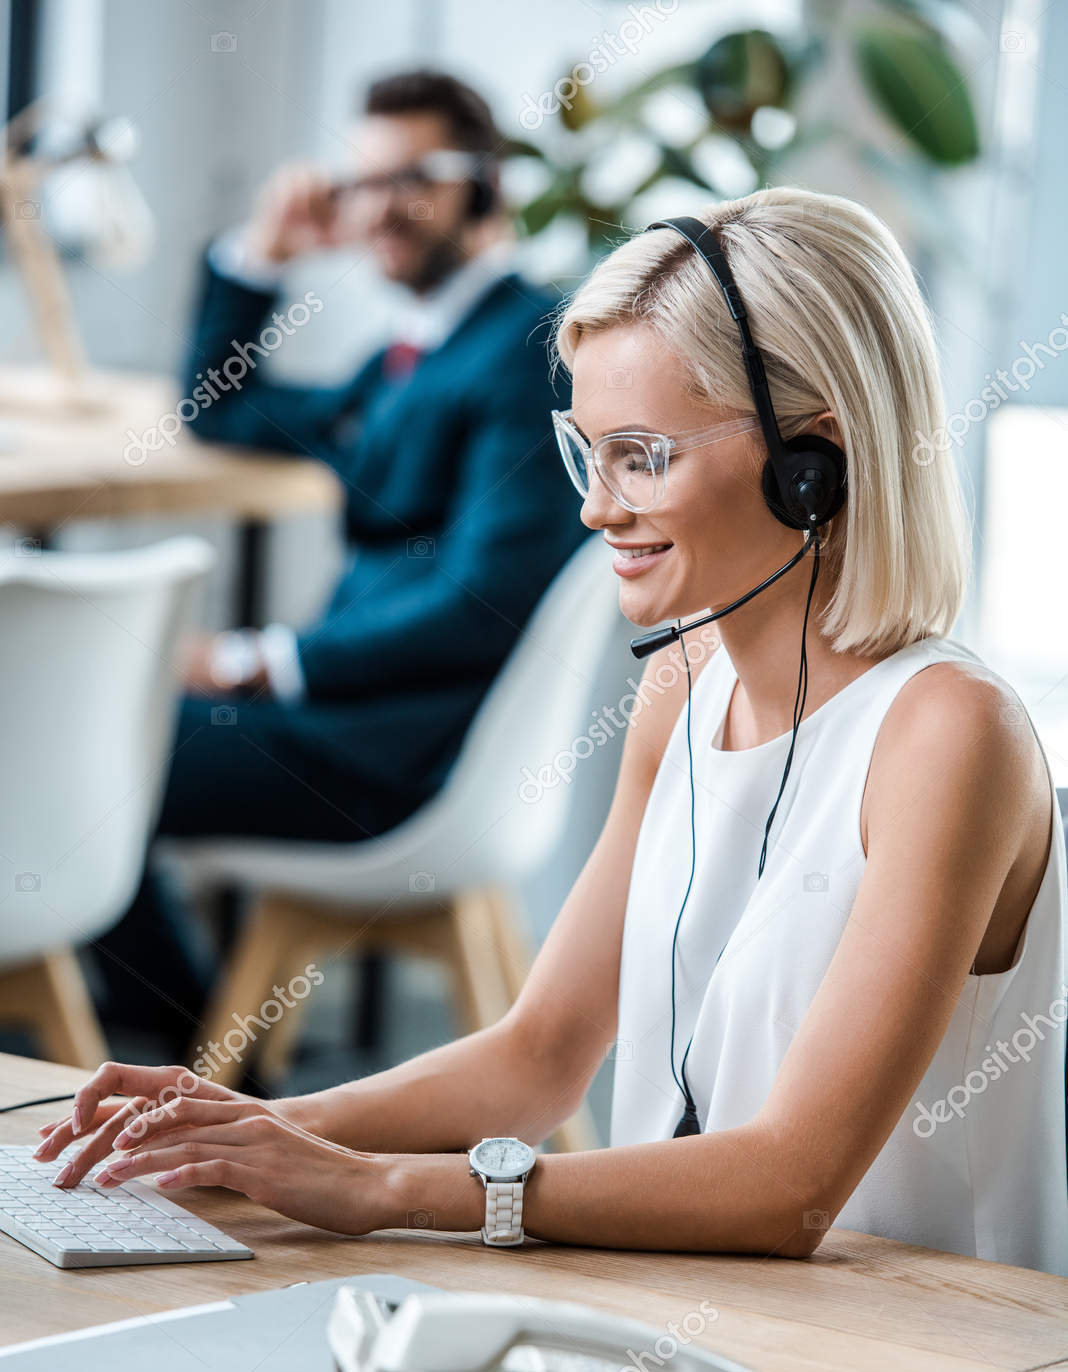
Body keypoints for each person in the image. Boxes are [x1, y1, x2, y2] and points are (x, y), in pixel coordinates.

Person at [50, 187, 1068, 1276]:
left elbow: (791, 1184)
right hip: (688, 1325)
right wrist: (263, 1127)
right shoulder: (683, 679)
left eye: (642, 455)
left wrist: (385, 1187)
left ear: (811, 460)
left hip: (914, 1363)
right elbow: (539, 1055)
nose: (596, 508)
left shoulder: (950, 736)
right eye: (588, 453)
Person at [94, 69, 585, 1043]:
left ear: (486, 185)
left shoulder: (525, 352)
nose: (381, 208)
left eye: (416, 177)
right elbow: (223, 407)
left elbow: (481, 601)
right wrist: (262, 255)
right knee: (89, 736)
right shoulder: (412, 355)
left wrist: (257, 660)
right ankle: (199, 1049)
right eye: (362, 182)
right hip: (345, 722)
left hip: (397, 754)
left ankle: (193, 1059)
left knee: (91, 755)